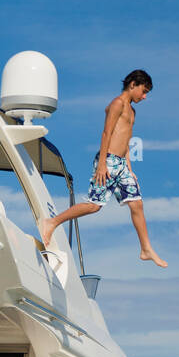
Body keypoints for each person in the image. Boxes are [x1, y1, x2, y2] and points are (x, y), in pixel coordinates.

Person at [41, 70, 167, 267]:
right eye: (144, 91)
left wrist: (129, 168)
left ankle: (145, 249)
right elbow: (106, 133)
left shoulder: (132, 111)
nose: (145, 96)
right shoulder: (117, 104)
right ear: (133, 84)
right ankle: (52, 222)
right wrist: (101, 165)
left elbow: (126, 140)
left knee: (137, 204)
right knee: (94, 206)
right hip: (107, 161)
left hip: (122, 164)